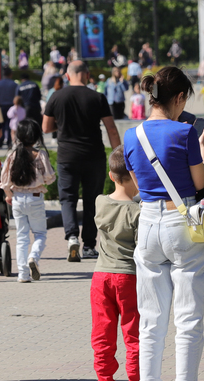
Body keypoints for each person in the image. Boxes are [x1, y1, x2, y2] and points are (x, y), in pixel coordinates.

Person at [124, 67, 204, 381]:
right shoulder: (184, 133)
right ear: (179, 97)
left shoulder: (132, 135)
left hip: (148, 223)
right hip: (182, 222)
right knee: (188, 321)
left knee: (150, 322)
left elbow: (137, 184)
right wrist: (202, 150)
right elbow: (200, 182)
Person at [43, 61, 122, 261]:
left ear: (68, 76)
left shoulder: (56, 96)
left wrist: (62, 124)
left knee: (67, 199)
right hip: (94, 156)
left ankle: (71, 237)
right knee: (92, 200)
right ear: (87, 75)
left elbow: (46, 127)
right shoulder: (97, 97)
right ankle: (88, 245)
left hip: (67, 157)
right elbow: (111, 129)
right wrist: (119, 155)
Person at [92, 149, 141, 381]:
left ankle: (104, 377)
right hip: (129, 277)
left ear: (111, 176)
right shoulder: (137, 212)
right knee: (134, 333)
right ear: (136, 174)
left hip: (100, 277)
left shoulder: (100, 202)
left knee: (102, 333)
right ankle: (136, 376)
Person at [1, 119, 55, 283]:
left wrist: (9, 195)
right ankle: (34, 257)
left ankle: (23, 274)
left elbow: (4, 182)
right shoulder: (40, 155)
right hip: (35, 198)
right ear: (37, 136)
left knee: (22, 237)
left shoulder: (12, 155)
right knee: (40, 234)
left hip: (17, 198)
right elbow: (50, 178)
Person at [0, 67, 19, 147]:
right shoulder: (14, 84)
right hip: (11, 107)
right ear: (11, 74)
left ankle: (0, 141)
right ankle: (9, 141)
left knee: (0, 124)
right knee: (10, 125)